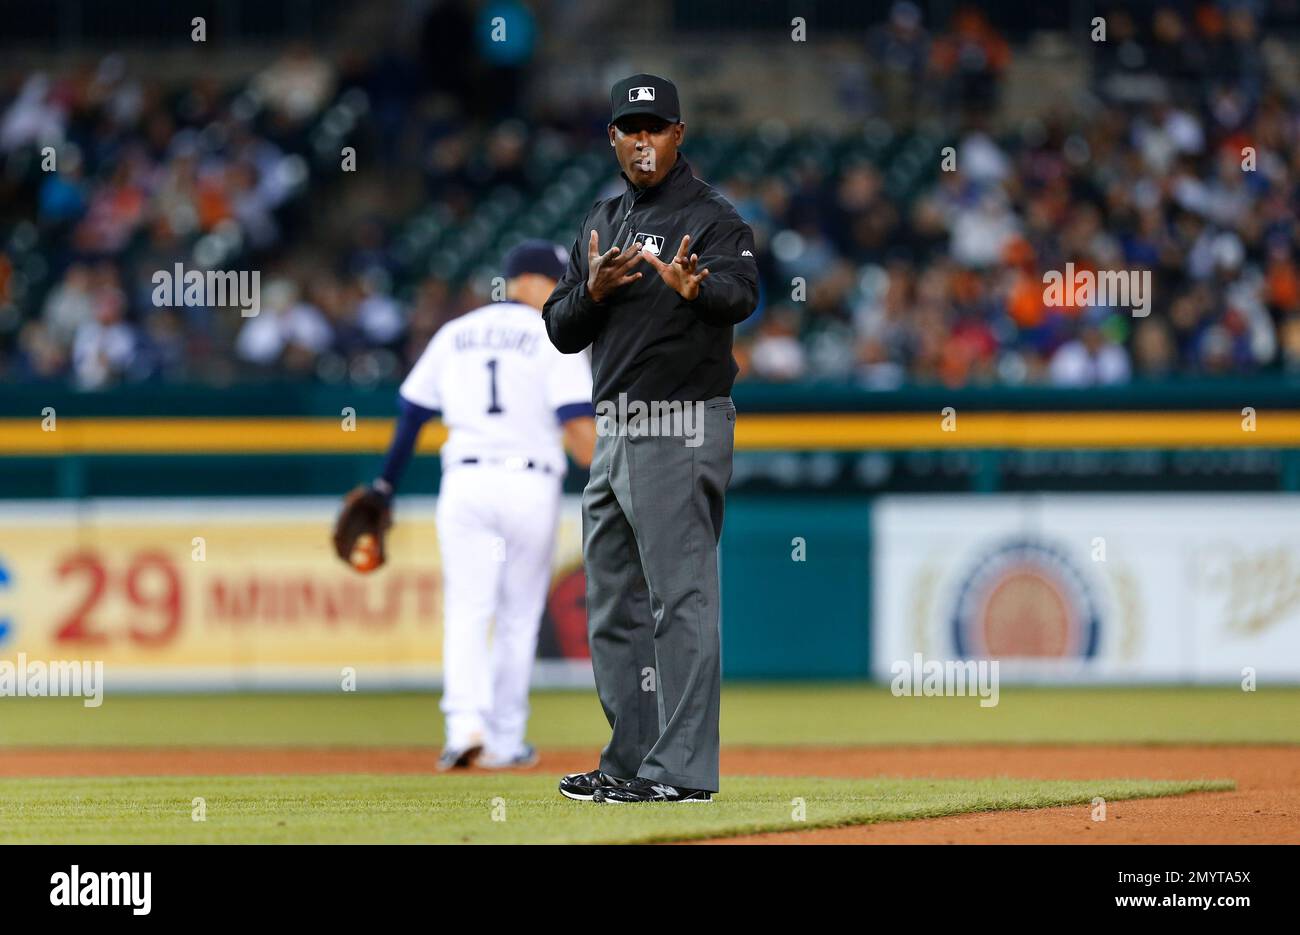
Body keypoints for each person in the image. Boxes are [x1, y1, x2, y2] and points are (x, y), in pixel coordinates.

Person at [542, 74, 759, 802]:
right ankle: (630, 759)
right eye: (630, 127)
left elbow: (743, 293)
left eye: (656, 127)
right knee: (612, 606)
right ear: (612, 138)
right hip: (614, 431)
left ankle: (682, 772)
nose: (643, 139)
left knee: (681, 598)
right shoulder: (601, 220)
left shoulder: (713, 218)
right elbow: (560, 326)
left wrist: (700, 289)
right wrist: (594, 291)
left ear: (678, 136)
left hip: (680, 422)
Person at [370, 241, 596, 770]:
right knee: (518, 617)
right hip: (529, 485)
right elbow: (577, 426)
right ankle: (505, 738)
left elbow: (411, 414)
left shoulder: (456, 333)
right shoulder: (553, 335)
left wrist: (384, 486)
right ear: (543, 281)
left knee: (468, 610)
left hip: (466, 482)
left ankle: (462, 727)